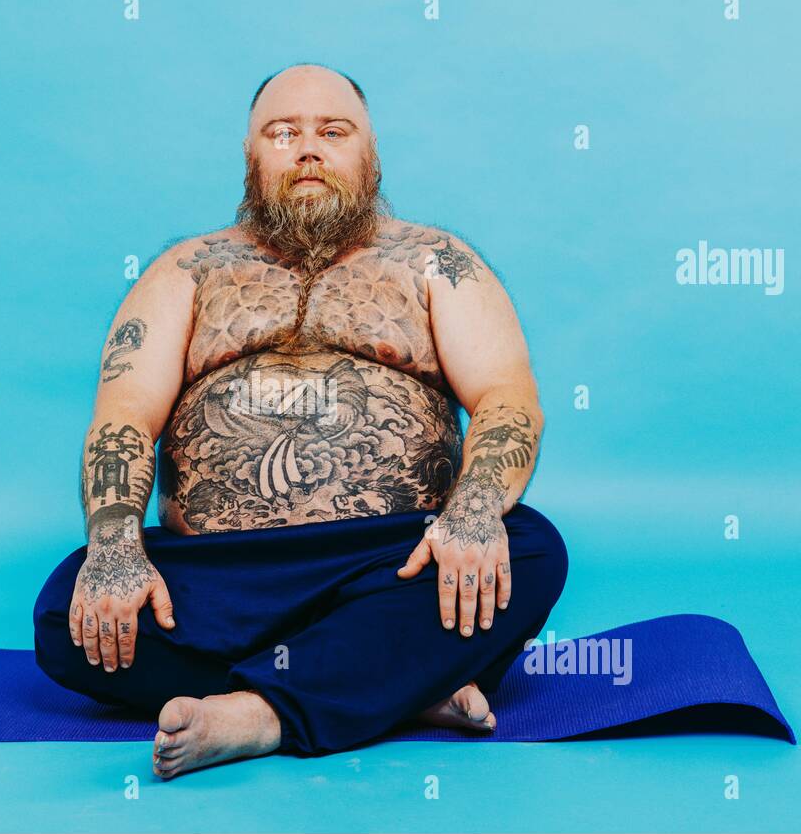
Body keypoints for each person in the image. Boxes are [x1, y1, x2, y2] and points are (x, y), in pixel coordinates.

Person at [34, 62, 569, 778]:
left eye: (333, 131)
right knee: (64, 610)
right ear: (252, 156)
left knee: (531, 549)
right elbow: (124, 418)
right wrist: (114, 547)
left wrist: (472, 512)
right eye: (283, 133)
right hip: (229, 579)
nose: (308, 149)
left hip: (392, 562)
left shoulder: (438, 262)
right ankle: (396, 684)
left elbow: (507, 396)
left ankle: (259, 717)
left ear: (369, 153)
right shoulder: (186, 272)